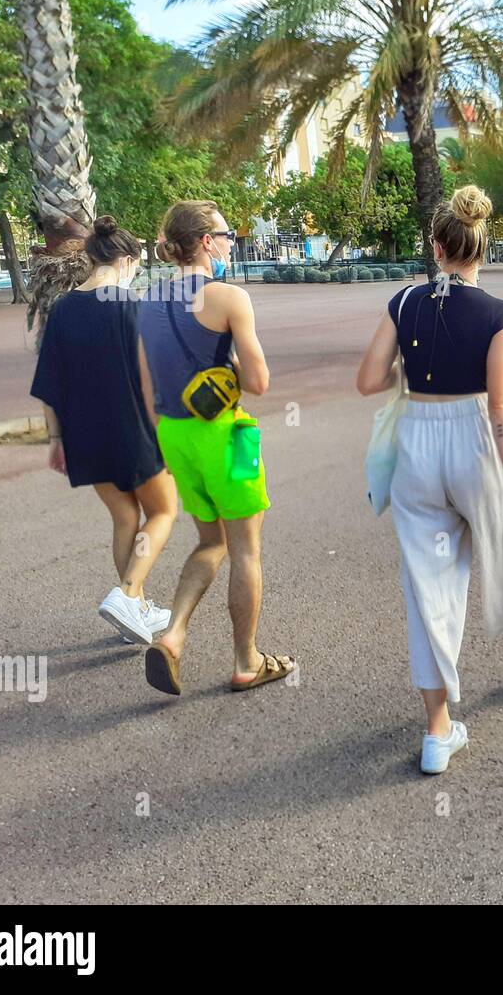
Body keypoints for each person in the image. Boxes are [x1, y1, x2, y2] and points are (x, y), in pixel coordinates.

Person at [356, 185, 503, 775]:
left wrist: (414, 356)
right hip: (475, 440)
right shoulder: (499, 314)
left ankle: (437, 731)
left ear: (437, 245)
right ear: (481, 248)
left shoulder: (403, 302)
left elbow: (369, 380)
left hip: (417, 444)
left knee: (427, 587)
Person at [136, 200, 295, 696]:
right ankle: (247, 661)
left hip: (173, 434)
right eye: (226, 236)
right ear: (206, 241)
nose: (230, 244)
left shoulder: (145, 302)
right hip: (225, 435)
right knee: (246, 548)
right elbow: (260, 382)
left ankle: (173, 635)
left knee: (211, 542)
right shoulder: (229, 297)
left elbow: (145, 385)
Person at [30, 216, 177, 645]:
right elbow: (153, 380)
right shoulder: (133, 307)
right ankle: (129, 594)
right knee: (164, 512)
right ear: (128, 261)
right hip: (132, 430)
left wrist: (56, 440)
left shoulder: (62, 310)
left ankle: (138, 612)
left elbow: (48, 384)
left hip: (84, 435)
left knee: (125, 517)